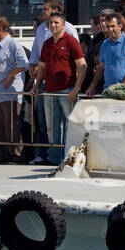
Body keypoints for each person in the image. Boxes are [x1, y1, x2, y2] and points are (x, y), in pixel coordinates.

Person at [32, 11, 87, 164]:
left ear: (63, 25)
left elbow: (82, 66)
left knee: (70, 126)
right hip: (49, 91)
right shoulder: (47, 44)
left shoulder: (71, 42)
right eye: (51, 23)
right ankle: (54, 158)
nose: (53, 25)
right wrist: (37, 86)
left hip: (66, 91)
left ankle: (70, 157)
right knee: (52, 127)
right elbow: (42, 67)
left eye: (56, 23)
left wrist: (76, 88)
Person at [0, 16, 28, 162]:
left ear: (1, 28)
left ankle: (17, 155)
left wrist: (10, 75)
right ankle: (2, 156)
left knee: (12, 127)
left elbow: (24, 63)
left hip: (9, 94)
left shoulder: (13, 44)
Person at [86, 10, 125, 95]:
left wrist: (123, 85)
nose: (110, 29)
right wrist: (92, 86)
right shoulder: (105, 44)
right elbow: (101, 68)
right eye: (108, 26)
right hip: (108, 90)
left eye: (113, 26)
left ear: (120, 26)